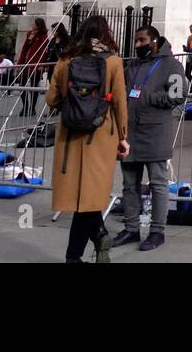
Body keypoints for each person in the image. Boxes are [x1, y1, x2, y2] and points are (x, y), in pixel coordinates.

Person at [45, 15, 128, 263]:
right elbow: (119, 102)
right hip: (101, 133)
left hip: (71, 133)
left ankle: (82, 250)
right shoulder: (113, 62)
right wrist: (123, 136)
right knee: (90, 199)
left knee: (81, 199)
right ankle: (93, 240)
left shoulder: (65, 60)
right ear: (106, 34)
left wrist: (72, 105)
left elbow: (51, 99)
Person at [111, 25, 186, 252]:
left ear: (154, 41)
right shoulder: (133, 65)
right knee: (129, 185)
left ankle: (157, 231)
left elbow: (178, 94)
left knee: (158, 184)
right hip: (131, 132)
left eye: (142, 40)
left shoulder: (171, 65)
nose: (137, 45)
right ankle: (131, 228)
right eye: (136, 41)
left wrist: (147, 97)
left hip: (155, 133)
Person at [16, 18, 54, 116]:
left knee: (34, 86)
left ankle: (32, 108)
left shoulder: (43, 36)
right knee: (22, 85)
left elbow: (43, 52)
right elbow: (24, 49)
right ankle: (25, 105)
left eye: (34, 23)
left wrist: (41, 64)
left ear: (39, 25)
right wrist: (20, 62)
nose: (32, 24)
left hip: (36, 64)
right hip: (26, 63)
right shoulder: (30, 34)